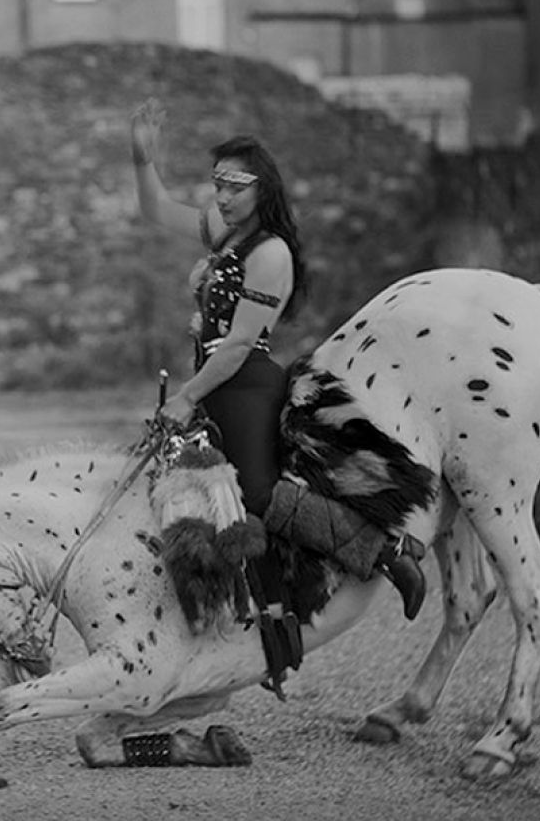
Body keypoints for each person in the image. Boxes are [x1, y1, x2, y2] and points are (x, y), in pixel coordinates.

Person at [129, 98, 426, 620]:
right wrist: (142, 159)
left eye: (233, 188)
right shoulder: (227, 235)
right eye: (217, 185)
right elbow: (156, 210)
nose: (220, 197)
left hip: (244, 382)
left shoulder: (271, 253)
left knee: (258, 495)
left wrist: (186, 394)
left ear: (261, 190)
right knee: (198, 489)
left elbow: (241, 344)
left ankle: (387, 553)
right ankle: (244, 617)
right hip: (219, 380)